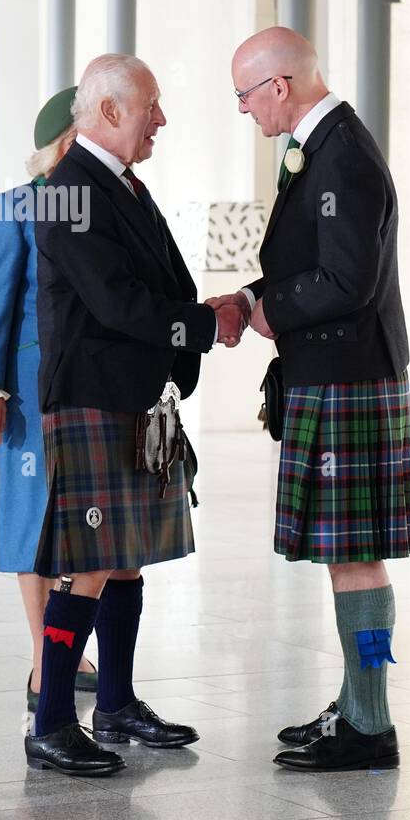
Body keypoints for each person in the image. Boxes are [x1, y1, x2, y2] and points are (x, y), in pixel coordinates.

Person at [25, 54, 245, 776]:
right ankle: (53, 721)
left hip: (133, 394)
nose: (162, 118)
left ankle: (114, 702)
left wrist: (203, 315)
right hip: (92, 394)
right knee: (88, 565)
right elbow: (117, 301)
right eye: (151, 104)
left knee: (123, 558)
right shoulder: (67, 193)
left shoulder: (119, 183)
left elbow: (169, 280)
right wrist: (206, 327)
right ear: (110, 109)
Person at [213, 27, 410, 772]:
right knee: (348, 556)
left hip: (350, 378)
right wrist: (246, 296)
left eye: (244, 94)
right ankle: (357, 703)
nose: (242, 109)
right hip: (337, 376)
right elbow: (312, 263)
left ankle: (371, 723)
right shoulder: (324, 145)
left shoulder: (343, 155)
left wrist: (270, 312)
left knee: (357, 557)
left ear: (279, 86)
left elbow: (345, 281)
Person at [0, 87, 100, 714]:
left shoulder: (104, 204)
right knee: (31, 520)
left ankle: (67, 651)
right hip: (24, 392)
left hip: (89, 388)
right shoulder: (13, 208)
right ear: (67, 143)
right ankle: (41, 662)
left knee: (85, 521)